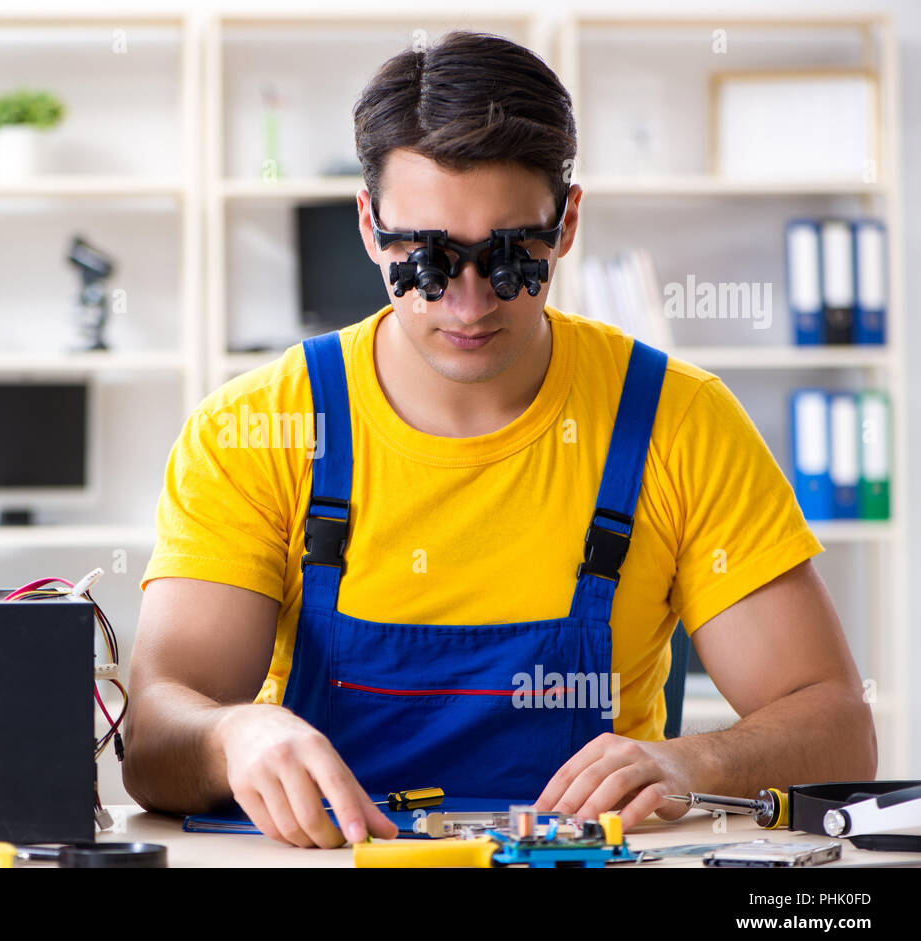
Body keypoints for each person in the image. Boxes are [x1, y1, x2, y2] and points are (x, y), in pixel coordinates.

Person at [122, 31, 875, 849]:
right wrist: (232, 735)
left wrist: (695, 761)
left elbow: (836, 726)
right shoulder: (256, 432)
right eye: (429, 259)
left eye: (515, 257)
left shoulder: (677, 423)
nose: (471, 302)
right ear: (370, 227)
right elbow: (156, 737)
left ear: (569, 222)